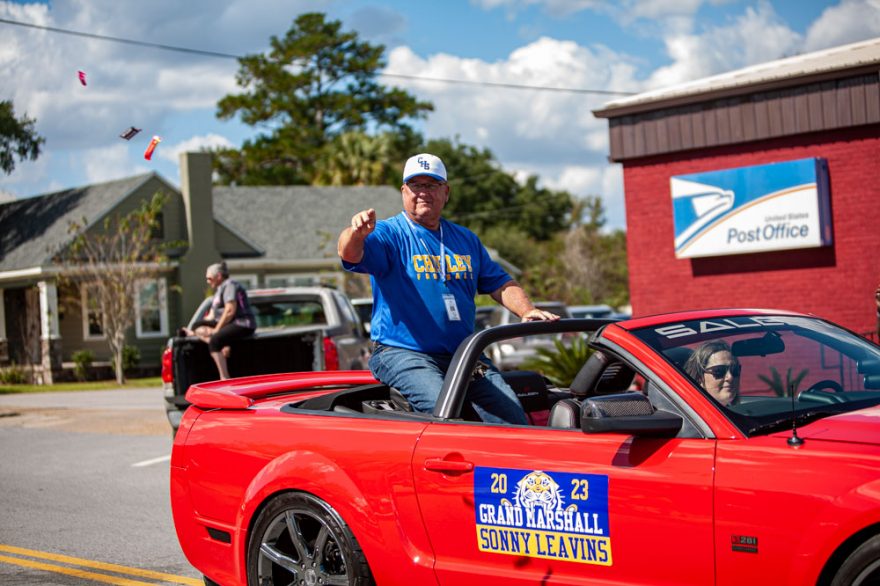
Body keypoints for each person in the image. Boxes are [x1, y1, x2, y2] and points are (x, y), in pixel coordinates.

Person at [337, 153, 559, 424]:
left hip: (463, 353)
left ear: (446, 192)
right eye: (415, 185)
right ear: (403, 191)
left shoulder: (465, 239)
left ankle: (496, 467)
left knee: (513, 419)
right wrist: (356, 232)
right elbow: (349, 253)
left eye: (431, 185)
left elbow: (501, 284)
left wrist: (528, 310)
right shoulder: (389, 233)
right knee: (445, 412)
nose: (423, 193)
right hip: (404, 353)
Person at [183, 261, 256, 380]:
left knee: (215, 340)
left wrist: (216, 330)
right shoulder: (219, 291)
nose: (207, 281)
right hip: (228, 324)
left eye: (209, 278)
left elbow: (230, 311)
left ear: (219, 276)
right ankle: (223, 345)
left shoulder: (230, 285)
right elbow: (211, 317)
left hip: (242, 323)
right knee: (197, 326)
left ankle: (225, 377)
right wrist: (194, 331)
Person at [683, 340, 740, 405]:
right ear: (699, 377)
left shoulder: (739, 413)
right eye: (719, 371)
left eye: (735, 370)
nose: (730, 377)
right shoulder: (689, 414)